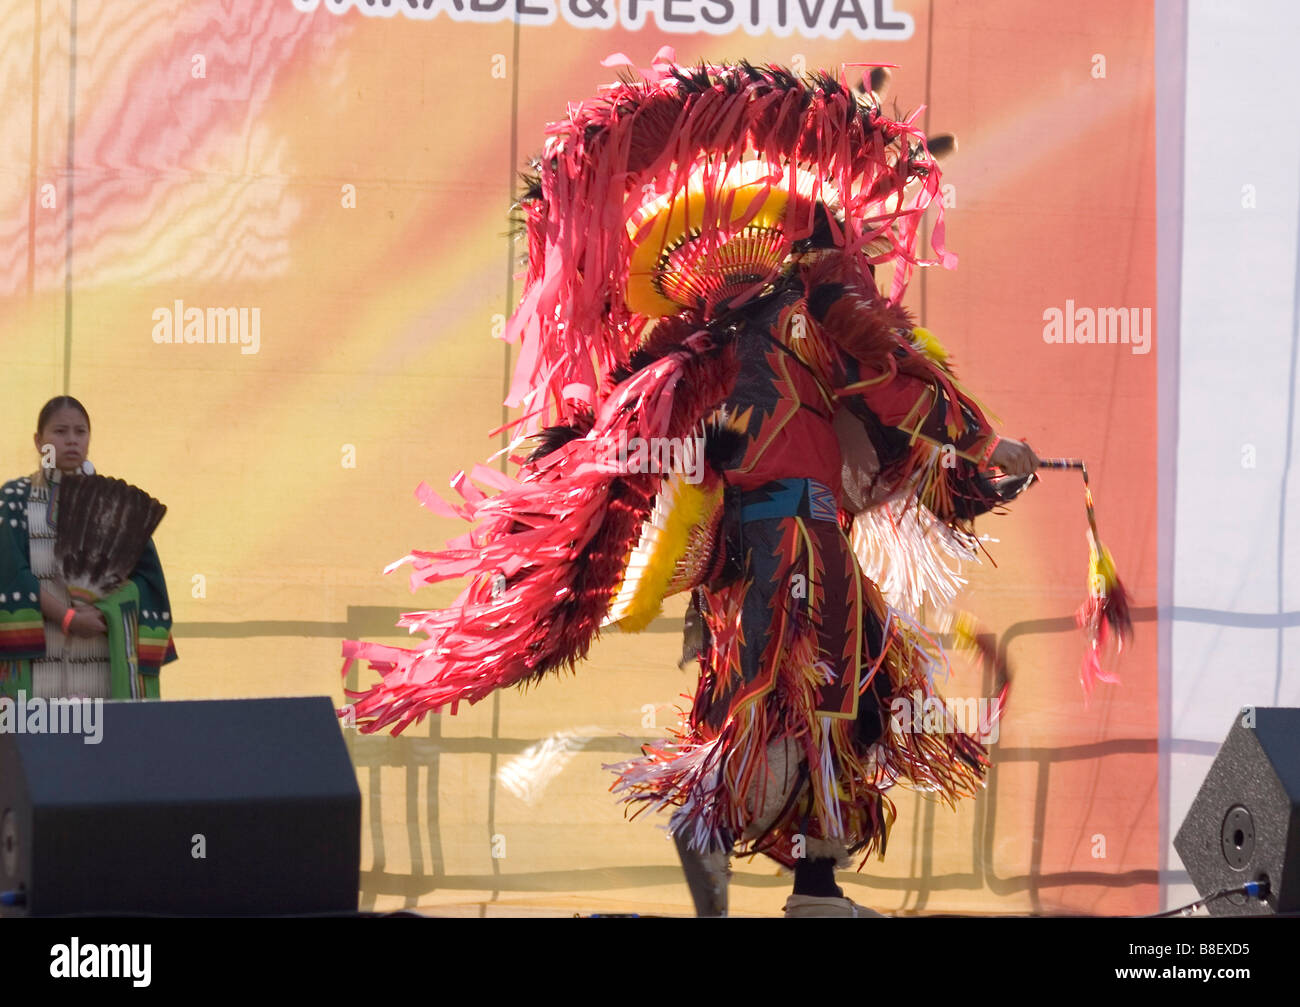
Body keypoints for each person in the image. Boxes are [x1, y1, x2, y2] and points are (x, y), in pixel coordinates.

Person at [342, 57, 1044, 917]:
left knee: (792, 699)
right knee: (814, 697)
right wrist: (983, 441)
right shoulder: (814, 303)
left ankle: (761, 885)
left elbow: (856, 448)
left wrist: (974, 476)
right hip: (792, 539)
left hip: (749, 553)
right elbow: (889, 381)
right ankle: (779, 869)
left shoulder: (698, 349)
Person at [0, 396, 176, 700]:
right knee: (36, 745)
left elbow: (149, 584)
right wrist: (68, 618)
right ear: (38, 440)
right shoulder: (15, 500)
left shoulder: (116, 506)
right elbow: (10, 575)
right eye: (60, 432)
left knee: (100, 744)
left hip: (102, 661)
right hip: (37, 665)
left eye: (80, 432)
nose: (71, 441)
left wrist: (106, 608)